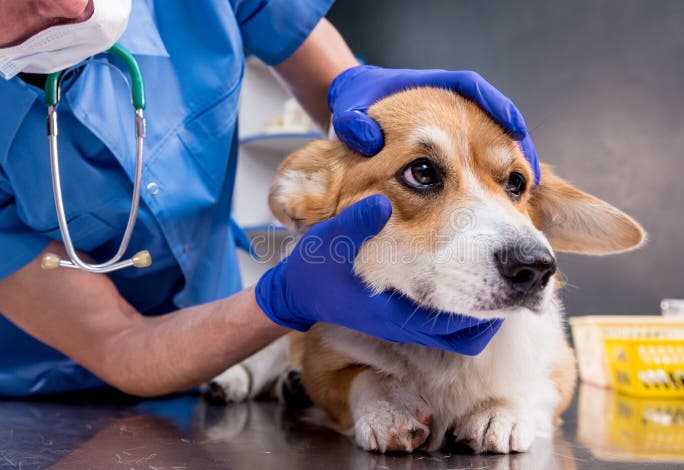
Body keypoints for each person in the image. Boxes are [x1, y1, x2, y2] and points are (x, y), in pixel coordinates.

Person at [0, 0, 539, 398]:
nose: (69, 4)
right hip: (51, 398)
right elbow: (120, 344)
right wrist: (281, 300)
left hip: (228, 372)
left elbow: (356, 119)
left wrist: (362, 89)